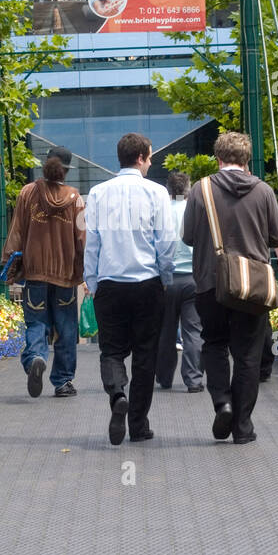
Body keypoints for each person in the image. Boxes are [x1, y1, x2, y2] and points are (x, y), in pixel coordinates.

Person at [181, 131, 278, 445]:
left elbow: (188, 236)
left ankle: (223, 403)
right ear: (246, 160)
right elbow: (276, 238)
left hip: (211, 282)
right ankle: (243, 427)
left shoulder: (200, 189)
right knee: (247, 355)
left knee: (214, 344)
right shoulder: (264, 191)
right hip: (253, 285)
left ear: (218, 158)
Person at [84, 133, 175, 444]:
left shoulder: (97, 193)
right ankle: (138, 424)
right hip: (147, 283)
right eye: (149, 157)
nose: (150, 163)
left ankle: (117, 394)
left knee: (110, 350)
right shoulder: (157, 193)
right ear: (140, 158)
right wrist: (165, 278)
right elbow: (166, 243)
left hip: (109, 283)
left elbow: (91, 241)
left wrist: (92, 281)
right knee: (145, 354)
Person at [2, 145, 86, 398]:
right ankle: (62, 382)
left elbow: (16, 232)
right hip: (65, 274)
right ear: (66, 171)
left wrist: (10, 267)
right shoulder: (75, 198)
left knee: (36, 322)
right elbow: (82, 239)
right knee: (66, 327)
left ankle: (36, 357)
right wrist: (84, 272)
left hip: (35, 272)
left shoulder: (28, 192)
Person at [156, 171, 204, 393]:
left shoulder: (161, 211)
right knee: (193, 331)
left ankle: (164, 377)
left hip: (166, 280)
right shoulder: (195, 210)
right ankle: (193, 379)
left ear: (168, 189)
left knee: (165, 331)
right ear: (188, 189)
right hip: (193, 279)